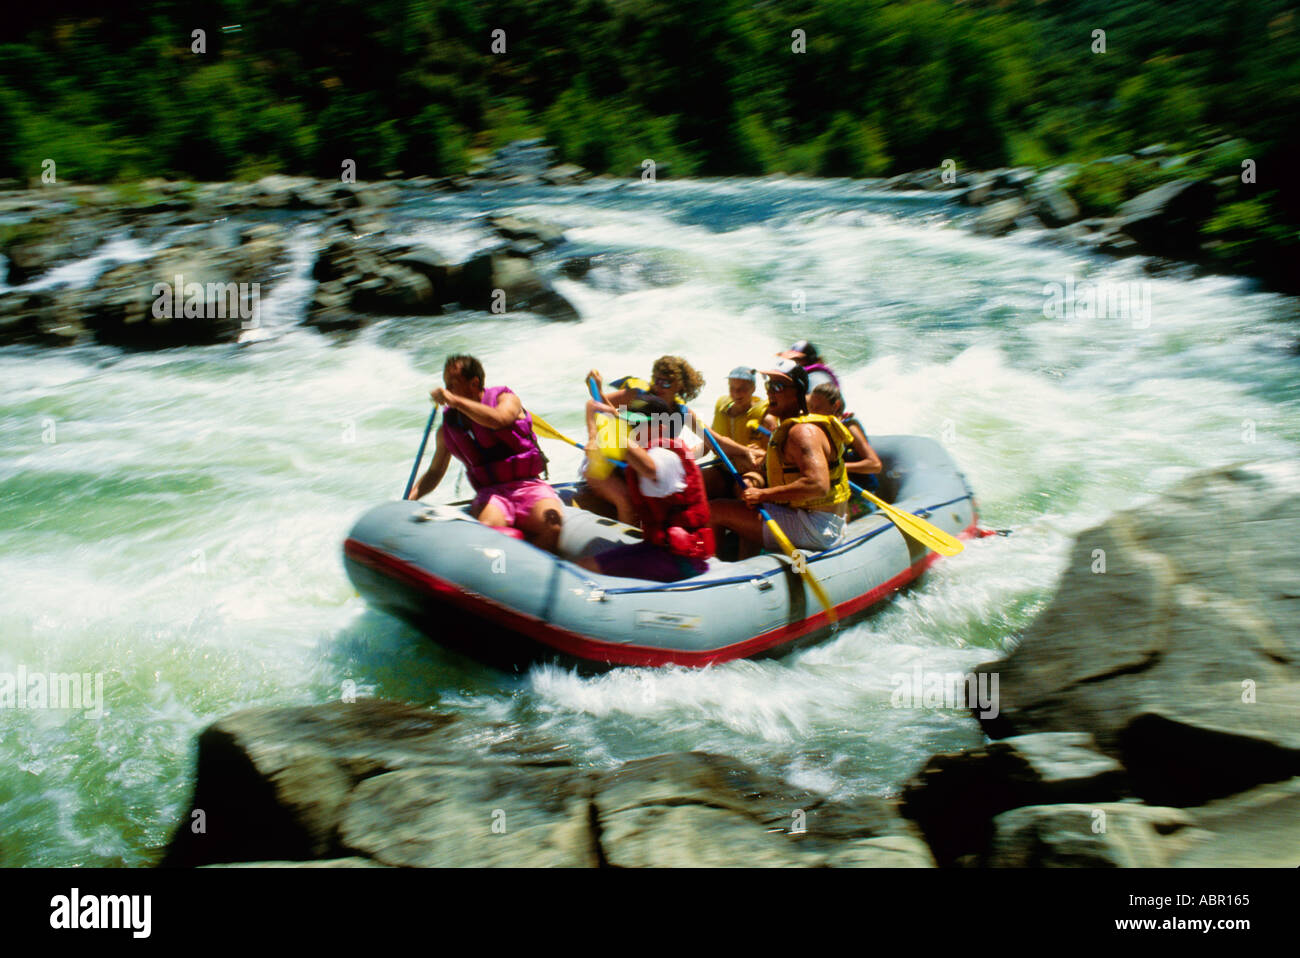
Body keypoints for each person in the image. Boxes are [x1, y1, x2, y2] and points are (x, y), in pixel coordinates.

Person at [408, 354, 564, 552]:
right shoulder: (449, 428)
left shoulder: (507, 400)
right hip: (492, 494)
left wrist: (455, 402)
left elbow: (499, 419)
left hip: (528, 486)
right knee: (488, 533)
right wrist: (410, 498)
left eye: (452, 385)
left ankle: (534, 569)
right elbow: (435, 472)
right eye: (446, 385)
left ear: (474, 383)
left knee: (553, 527)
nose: (447, 391)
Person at [585, 356, 760, 523]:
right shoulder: (636, 397)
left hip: (641, 468)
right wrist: (593, 437)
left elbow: (716, 442)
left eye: (666, 382)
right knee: (628, 502)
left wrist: (745, 451)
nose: (660, 386)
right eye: (657, 380)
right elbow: (595, 405)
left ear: (679, 385)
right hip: (607, 465)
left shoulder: (683, 413)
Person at [709, 359, 853, 555]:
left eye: (778, 386)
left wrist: (764, 494)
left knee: (715, 510)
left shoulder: (802, 433)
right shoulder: (790, 428)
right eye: (769, 385)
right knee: (748, 509)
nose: (770, 392)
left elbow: (818, 485)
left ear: (798, 393)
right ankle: (746, 564)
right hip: (815, 520)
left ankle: (713, 570)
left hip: (816, 527)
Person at [575, 406, 714, 582]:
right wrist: (596, 438)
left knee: (586, 569)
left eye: (638, 425)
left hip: (683, 558)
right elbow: (593, 407)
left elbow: (650, 469)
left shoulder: (664, 454)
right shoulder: (647, 452)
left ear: (660, 427)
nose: (632, 430)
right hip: (660, 548)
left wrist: (617, 439)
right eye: (629, 424)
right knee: (583, 565)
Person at [703, 365, 777, 498]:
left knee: (745, 487)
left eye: (742, 389)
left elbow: (772, 461)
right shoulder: (722, 409)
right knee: (696, 480)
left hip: (753, 473)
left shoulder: (766, 419)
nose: (736, 393)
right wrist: (687, 457)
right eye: (732, 388)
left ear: (753, 389)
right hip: (723, 468)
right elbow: (708, 443)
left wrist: (744, 457)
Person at [807, 383, 882, 488]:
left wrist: (839, 467)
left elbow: (875, 465)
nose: (813, 413)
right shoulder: (818, 428)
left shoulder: (849, 427)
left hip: (860, 494)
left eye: (818, 408)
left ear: (836, 405)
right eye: (811, 407)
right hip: (836, 492)